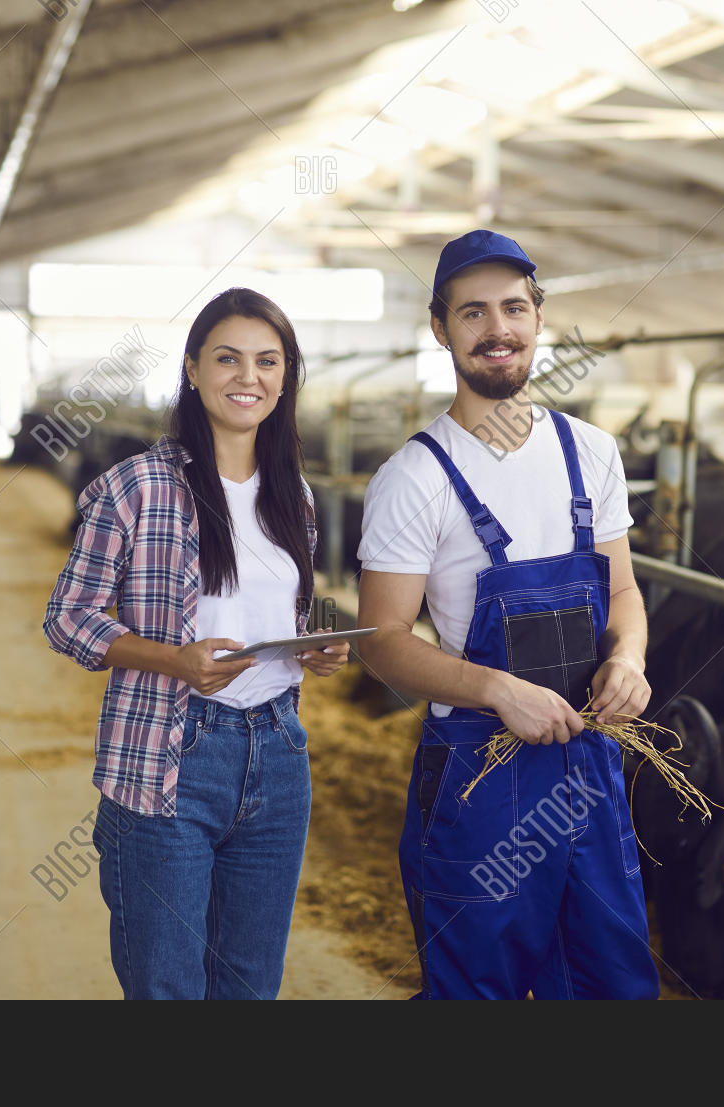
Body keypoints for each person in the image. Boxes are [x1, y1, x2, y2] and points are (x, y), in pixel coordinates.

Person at [356, 230, 661, 999]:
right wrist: (496, 690)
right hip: (478, 779)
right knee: (475, 991)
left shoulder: (589, 451)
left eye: (515, 308)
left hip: (589, 766)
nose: (499, 329)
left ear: (538, 317)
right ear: (440, 328)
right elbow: (383, 641)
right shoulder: (414, 477)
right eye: (474, 313)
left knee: (612, 985)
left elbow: (622, 593)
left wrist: (628, 661)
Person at [43, 287, 349, 1000]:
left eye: (269, 362)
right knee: (168, 988)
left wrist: (312, 647)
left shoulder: (293, 497)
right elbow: (68, 617)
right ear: (191, 370)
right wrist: (171, 659)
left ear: (287, 377)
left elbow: (276, 615)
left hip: (277, 755)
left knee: (248, 989)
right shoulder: (136, 487)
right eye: (229, 359)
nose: (250, 377)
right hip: (167, 756)